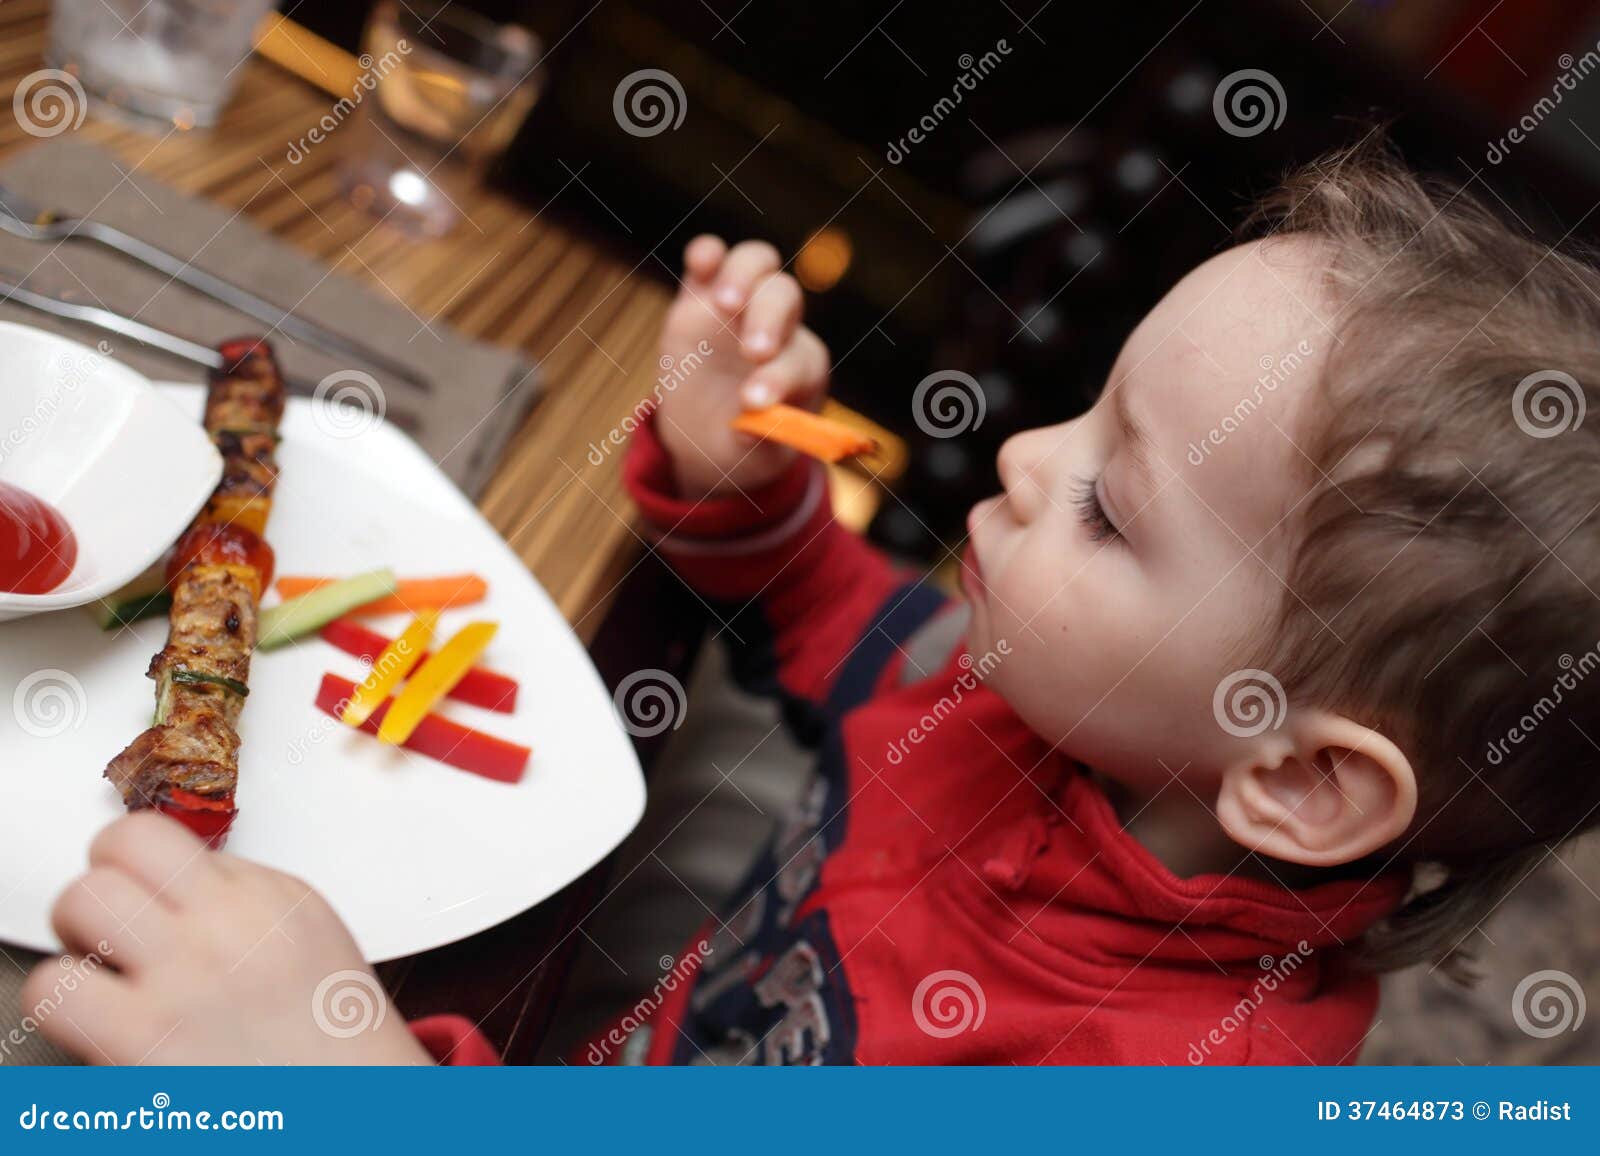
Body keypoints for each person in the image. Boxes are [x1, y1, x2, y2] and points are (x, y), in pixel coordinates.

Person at [25, 141, 1600, 1065]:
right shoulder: (1038, 706)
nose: (1028, 454)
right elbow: (833, 621)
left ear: (1302, 776)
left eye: (1115, 508)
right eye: (1092, 409)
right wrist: (742, 487)